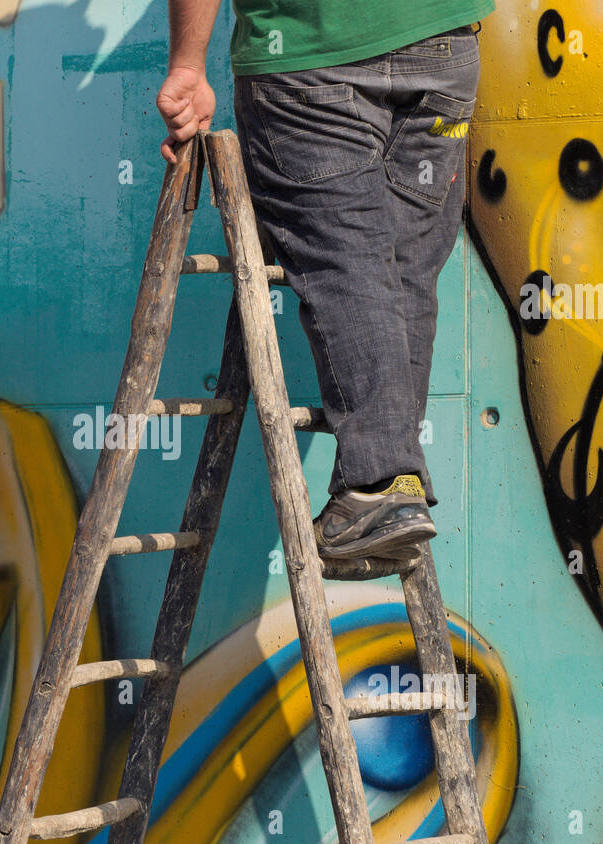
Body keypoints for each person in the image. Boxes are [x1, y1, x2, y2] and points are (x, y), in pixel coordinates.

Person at [156, 1, 493, 560]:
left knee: (349, 261)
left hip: (310, 51)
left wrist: (188, 65)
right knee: (402, 270)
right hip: (443, 48)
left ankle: (382, 484)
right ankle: (394, 487)